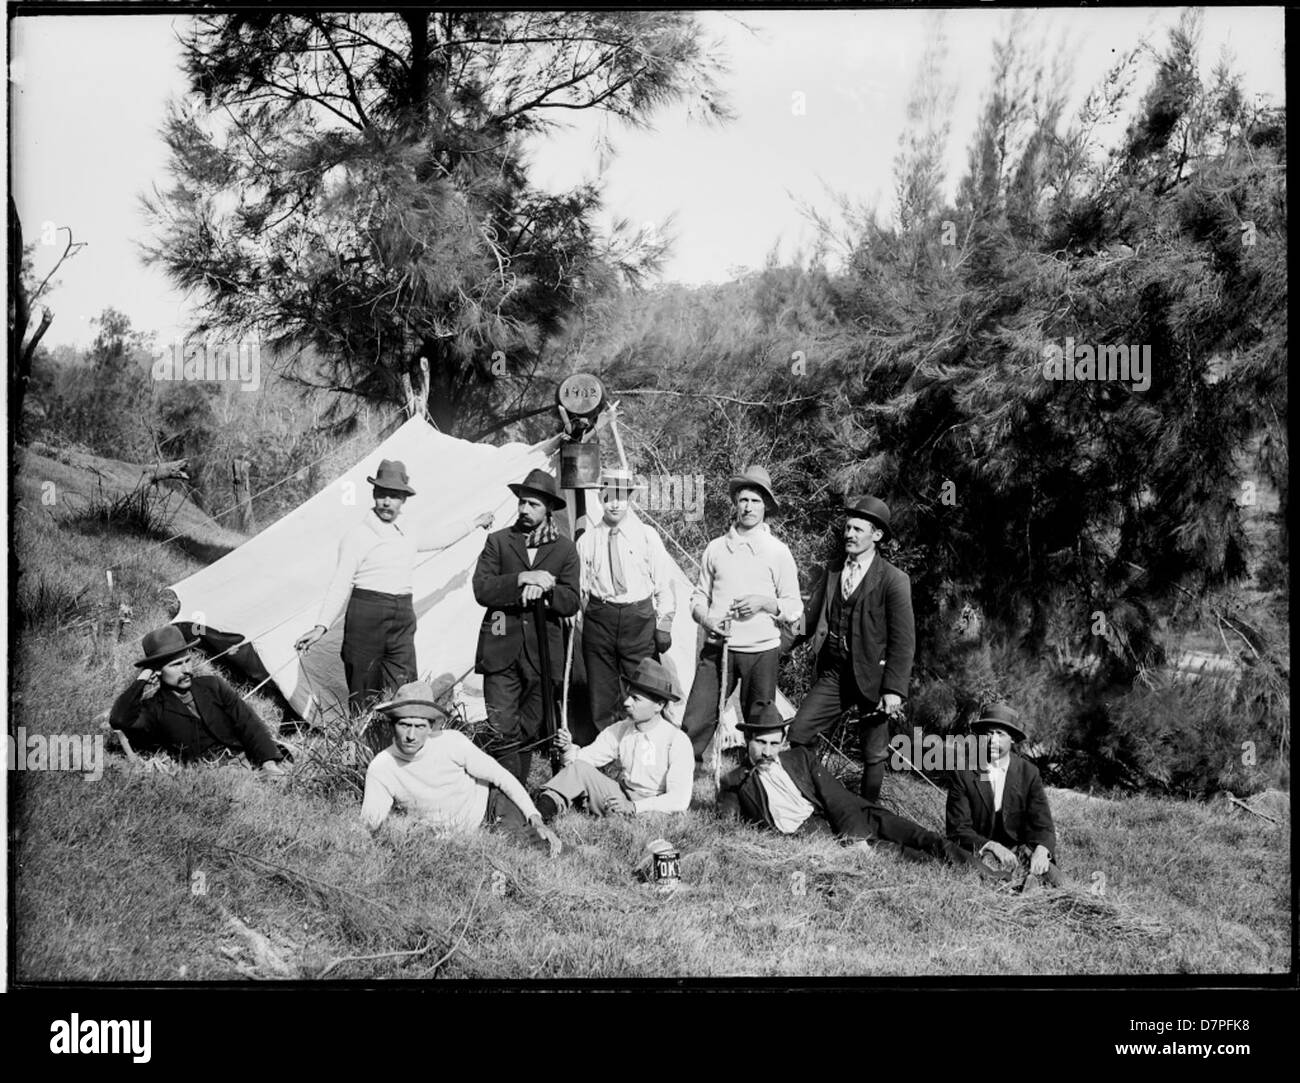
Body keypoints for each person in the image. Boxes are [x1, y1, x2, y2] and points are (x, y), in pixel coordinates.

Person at [294, 459, 492, 712]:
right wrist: (320, 626)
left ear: (404, 500)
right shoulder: (358, 535)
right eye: (382, 495)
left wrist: (474, 523)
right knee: (363, 687)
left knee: (405, 686)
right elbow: (340, 583)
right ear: (374, 495)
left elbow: (441, 537)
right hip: (366, 614)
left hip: (402, 616)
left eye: (394, 496)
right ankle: (362, 743)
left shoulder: (408, 531)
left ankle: (399, 739)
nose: (387, 502)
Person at [718, 701, 984, 868]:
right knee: (902, 854)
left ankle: (989, 874)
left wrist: (856, 838)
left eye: (773, 743)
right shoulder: (736, 783)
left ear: (783, 743)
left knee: (922, 836)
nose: (767, 751)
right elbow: (727, 825)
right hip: (820, 833)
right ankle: (962, 874)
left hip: (852, 814)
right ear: (747, 740)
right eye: (760, 743)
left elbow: (835, 796)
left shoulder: (799, 758)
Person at [787, 495, 914, 802]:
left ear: (877, 536)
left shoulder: (894, 580)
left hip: (874, 679)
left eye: (858, 529)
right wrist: (775, 646)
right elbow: (810, 618)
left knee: (874, 753)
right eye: (847, 528)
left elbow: (903, 640)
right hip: (834, 673)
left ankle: (867, 813)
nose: (850, 534)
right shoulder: (832, 571)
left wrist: (894, 689)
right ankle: (816, 798)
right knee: (800, 733)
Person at [681, 464, 802, 763]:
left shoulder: (778, 551)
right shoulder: (715, 549)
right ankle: (682, 775)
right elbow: (698, 597)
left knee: (760, 722)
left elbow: (794, 608)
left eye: (756, 501)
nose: (748, 507)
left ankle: (755, 779)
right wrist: (706, 619)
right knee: (698, 715)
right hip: (718, 647)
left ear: (766, 508)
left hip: (761, 651)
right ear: (735, 503)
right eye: (744, 500)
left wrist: (764, 602)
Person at [360, 678, 562, 856]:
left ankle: (569, 853)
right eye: (404, 725)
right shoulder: (382, 767)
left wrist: (535, 818)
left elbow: (502, 776)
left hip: (490, 806)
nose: (411, 735)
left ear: (431, 727)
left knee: (523, 850)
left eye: (419, 726)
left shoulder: (452, 743)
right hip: (451, 834)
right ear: (391, 725)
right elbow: (371, 822)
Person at [472, 467, 581, 784]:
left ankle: (513, 793)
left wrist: (547, 590)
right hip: (499, 639)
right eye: (521, 502)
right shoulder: (498, 542)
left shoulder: (564, 549)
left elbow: (571, 600)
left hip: (542, 653)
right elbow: (482, 589)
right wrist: (521, 578)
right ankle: (508, 797)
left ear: (548, 509)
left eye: (532, 504)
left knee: (530, 727)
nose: (523, 509)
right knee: (501, 724)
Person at [576, 467, 677, 731]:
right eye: (608, 496)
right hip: (600, 618)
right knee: (602, 688)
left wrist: (664, 624)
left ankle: (646, 742)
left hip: (638, 619)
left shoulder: (647, 536)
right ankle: (608, 748)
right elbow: (581, 590)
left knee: (644, 685)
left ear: (630, 498)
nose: (614, 503)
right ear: (600, 498)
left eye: (621, 496)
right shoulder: (587, 540)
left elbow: (664, 585)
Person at [109, 625, 286, 772]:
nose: (186, 669)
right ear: (158, 671)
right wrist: (141, 680)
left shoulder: (212, 686)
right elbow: (119, 719)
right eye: (176, 665)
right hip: (205, 777)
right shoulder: (154, 708)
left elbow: (247, 721)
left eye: (187, 661)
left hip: (244, 762)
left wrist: (268, 762)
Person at [534, 658, 693, 820]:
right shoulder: (621, 729)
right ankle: (537, 816)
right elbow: (583, 761)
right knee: (580, 769)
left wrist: (634, 807)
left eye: (636, 699)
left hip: (655, 809)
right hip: (622, 797)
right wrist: (567, 749)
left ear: (658, 705)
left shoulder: (677, 741)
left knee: (649, 818)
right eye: (628, 695)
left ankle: (621, 819)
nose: (626, 702)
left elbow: (679, 799)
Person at [945, 703, 1064, 887]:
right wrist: (992, 846)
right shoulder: (964, 771)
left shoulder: (1028, 773)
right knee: (986, 871)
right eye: (988, 733)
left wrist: (1042, 849)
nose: (993, 740)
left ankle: (1037, 885)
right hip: (981, 848)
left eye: (1000, 734)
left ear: (1013, 739)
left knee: (1056, 879)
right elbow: (957, 829)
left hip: (1020, 848)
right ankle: (1010, 886)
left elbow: (1043, 824)